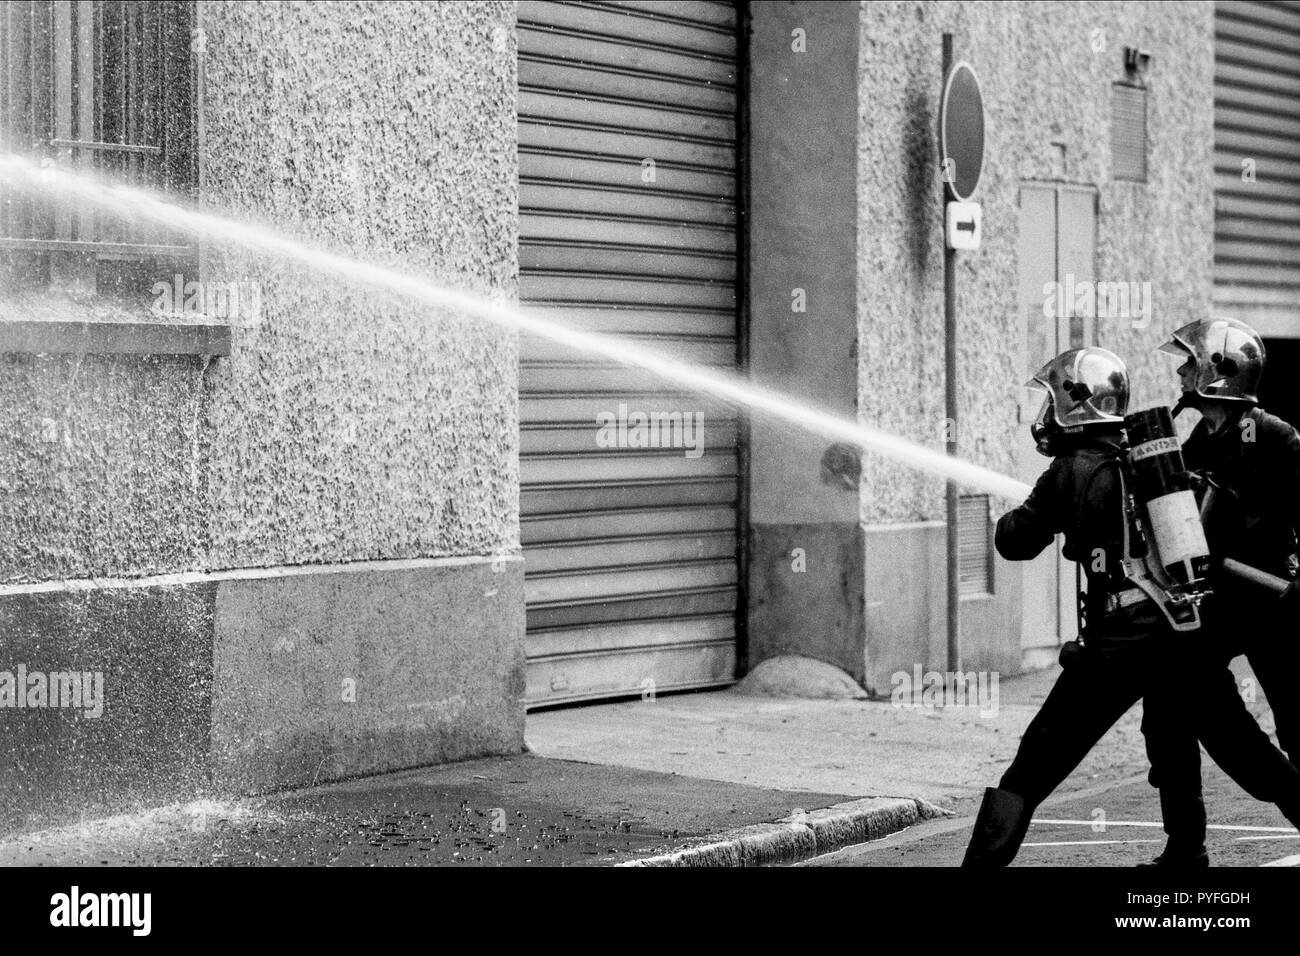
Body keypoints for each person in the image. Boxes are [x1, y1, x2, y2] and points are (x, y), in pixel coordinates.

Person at [962, 346, 1300, 867]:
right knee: (1247, 755)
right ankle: (1187, 854)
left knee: (1034, 766)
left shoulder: (1071, 468)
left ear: (1076, 403)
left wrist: (1012, 517)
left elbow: (1016, 541)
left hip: (1116, 644)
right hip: (1180, 636)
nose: (1046, 413)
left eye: (1052, 400)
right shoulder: (1150, 457)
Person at [1138, 318, 1300, 866]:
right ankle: (1185, 846)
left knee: (1298, 721)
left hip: (1272, 600)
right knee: (1169, 705)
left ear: (1219, 370)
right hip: (1217, 600)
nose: (1181, 371)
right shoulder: (1199, 438)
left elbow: (1275, 520)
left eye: (1189, 361)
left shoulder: (1276, 436)